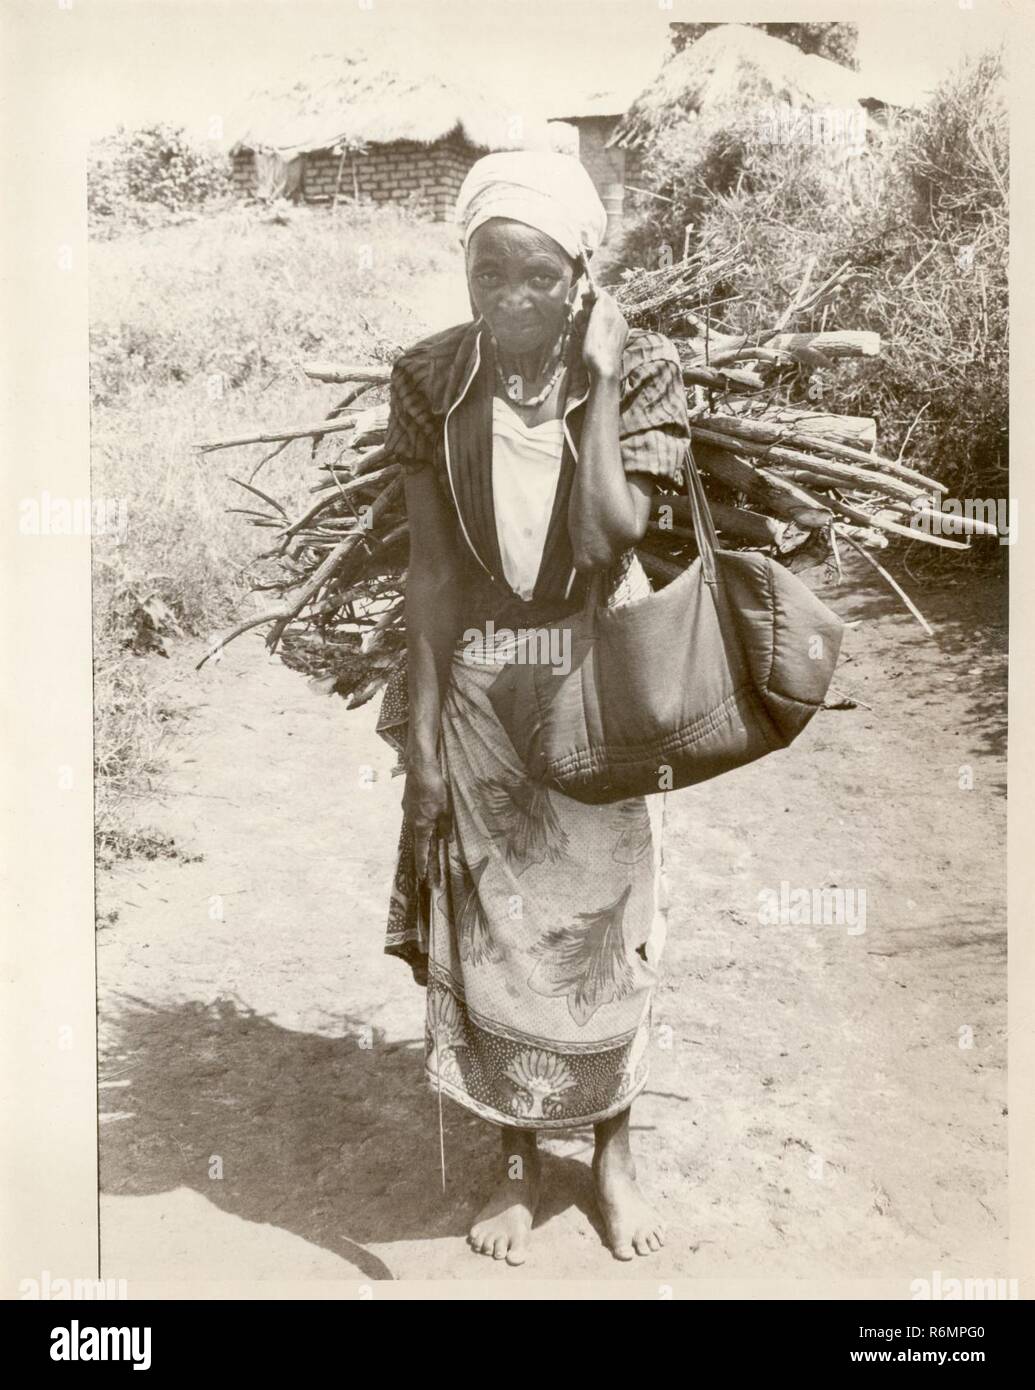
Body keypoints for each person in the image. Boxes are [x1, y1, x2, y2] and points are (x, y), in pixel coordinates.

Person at [377, 151, 690, 1266]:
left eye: (539, 277)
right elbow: (430, 570)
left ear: (583, 273)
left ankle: (612, 1149)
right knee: (497, 932)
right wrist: (420, 738)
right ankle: (515, 1158)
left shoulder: (642, 375)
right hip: (478, 690)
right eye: (489, 275)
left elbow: (611, 538)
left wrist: (598, 384)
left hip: (595, 681)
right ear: (463, 272)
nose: (512, 301)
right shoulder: (427, 378)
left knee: (606, 929)